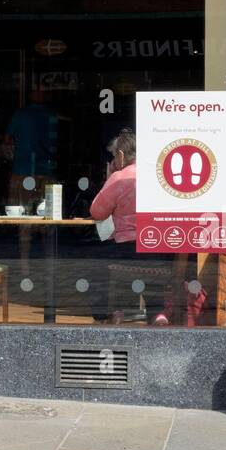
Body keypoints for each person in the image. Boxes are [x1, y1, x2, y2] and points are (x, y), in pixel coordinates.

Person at [87, 129, 174, 325]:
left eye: (114, 157)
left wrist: (109, 177)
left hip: (124, 250)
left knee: (93, 266)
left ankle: (113, 312)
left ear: (120, 155)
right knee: (150, 274)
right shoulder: (158, 175)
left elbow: (97, 212)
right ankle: (158, 313)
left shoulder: (120, 178)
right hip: (157, 250)